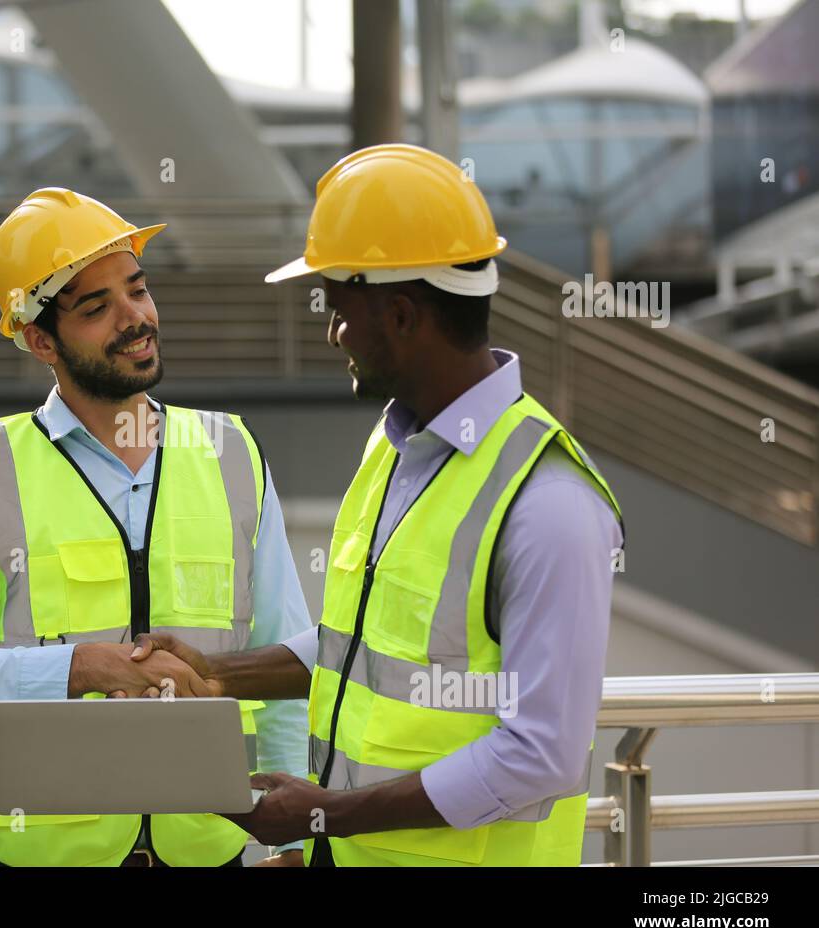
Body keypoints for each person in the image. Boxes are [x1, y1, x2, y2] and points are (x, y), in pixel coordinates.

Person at [132, 144, 625, 866]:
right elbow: (360, 647)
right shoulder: (394, 447)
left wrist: (330, 815)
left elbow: (540, 756)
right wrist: (217, 675)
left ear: (399, 314)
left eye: (337, 309)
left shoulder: (548, 505)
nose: (333, 333)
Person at [0, 188, 310, 866]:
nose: (135, 318)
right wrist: (82, 666)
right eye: (97, 307)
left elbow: (286, 662)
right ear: (39, 339)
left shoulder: (232, 453)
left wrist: (291, 843)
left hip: (213, 853)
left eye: (138, 291)